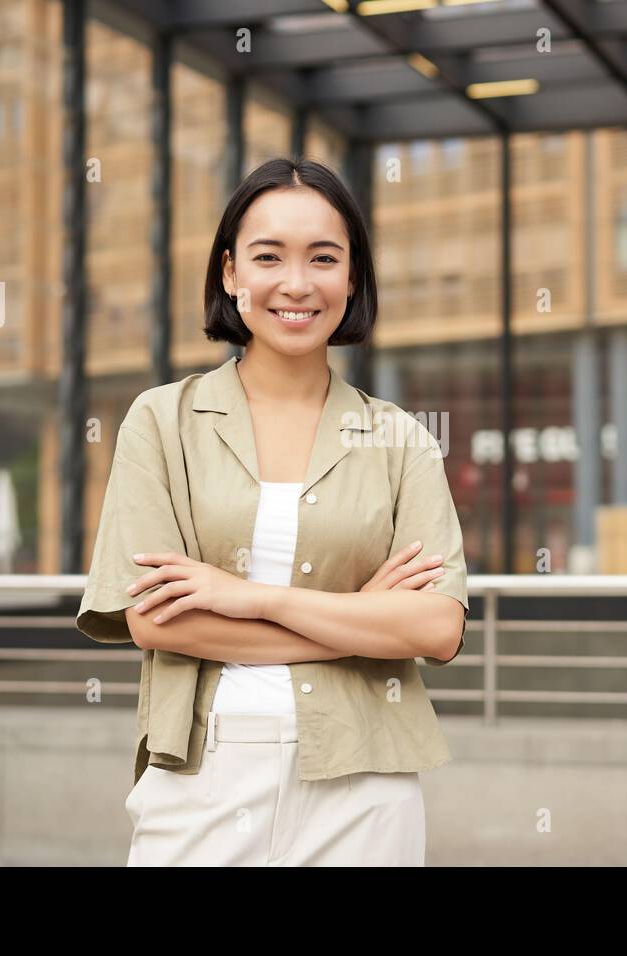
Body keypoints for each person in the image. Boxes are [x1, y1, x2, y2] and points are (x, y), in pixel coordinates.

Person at [75, 157, 470, 866]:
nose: (297, 283)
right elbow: (158, 620)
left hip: (366, 781)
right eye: (269, 257)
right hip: (204, 773)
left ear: (352, 278)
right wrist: (361, 622)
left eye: (324, 258)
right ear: (231, 273)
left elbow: (436, 626)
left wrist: (245, 599)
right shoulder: (161, 423)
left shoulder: (400, 438)